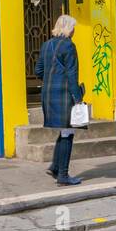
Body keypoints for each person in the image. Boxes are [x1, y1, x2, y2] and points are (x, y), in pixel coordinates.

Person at [35, 14, 85, 186]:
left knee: (64, 131)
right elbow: (72, 74)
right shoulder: (69, 46)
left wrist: (51, 80)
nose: (74, 31)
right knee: (68, 132)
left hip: (48, 95)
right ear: (68, 28)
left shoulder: (46, 45)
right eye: (73, 28)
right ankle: (63, 175)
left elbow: (38, 71)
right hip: (64, 95)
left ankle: (55, 166)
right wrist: (78, 98)